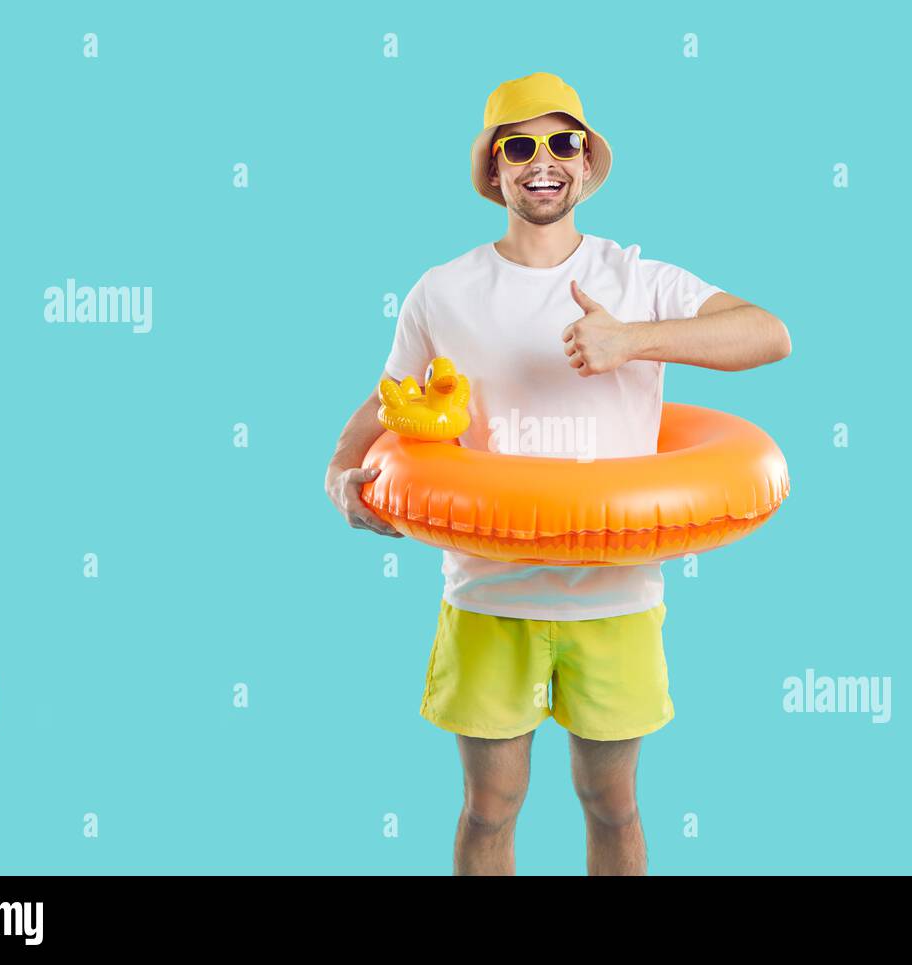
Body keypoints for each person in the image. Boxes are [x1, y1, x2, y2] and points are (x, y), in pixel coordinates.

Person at [325, 71, 791, 875]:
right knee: (488, 805)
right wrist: (340, 467)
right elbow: (391, 397)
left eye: (563, 141)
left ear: (585, 161)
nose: (544, 160)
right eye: (521, 145)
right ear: (495, 170)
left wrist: (631, 340)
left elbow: (770, 334)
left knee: (614, 804)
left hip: (616, 594)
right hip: (487, 592)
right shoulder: (443, 290)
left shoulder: (638, 278)